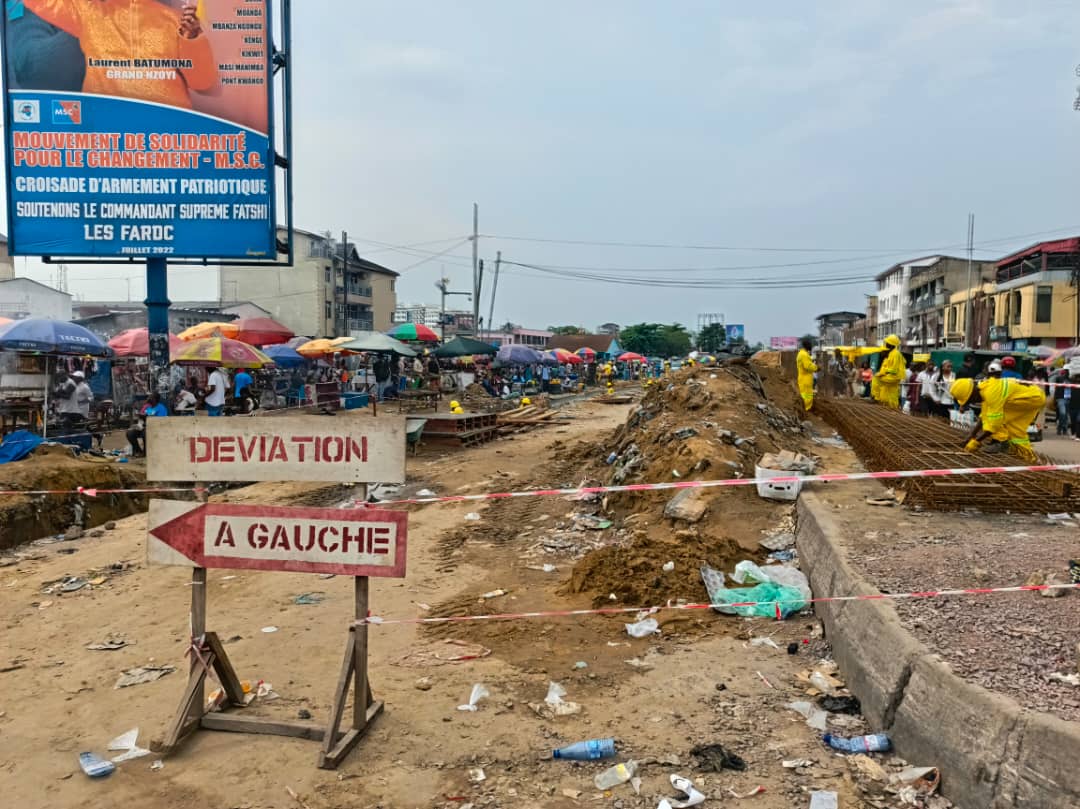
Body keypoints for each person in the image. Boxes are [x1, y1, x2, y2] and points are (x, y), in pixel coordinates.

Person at [23, 0, 217, 109]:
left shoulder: (174, 20)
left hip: (165, 135)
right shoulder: (88, 11)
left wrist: (192, 39)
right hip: (108, 133)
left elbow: (203, 81)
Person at [951, 376, 1046, 462]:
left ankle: (1001, 442)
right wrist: (972, 434)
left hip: (1031, 398)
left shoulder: (991, 394)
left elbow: (994, 424)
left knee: (997, 419)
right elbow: (983, 415)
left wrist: (977, 441)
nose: (972, 402)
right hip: (1031, 396)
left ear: (973, 394)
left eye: (970, 400)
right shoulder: (984, 388)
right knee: (1015, 431)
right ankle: (1026, 458)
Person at [126, 392, 167, 457]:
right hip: (146, 427)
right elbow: (144, 416)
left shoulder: (161, 407)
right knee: (130, 433)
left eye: (150, 397)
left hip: (157, 428)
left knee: (145, 433)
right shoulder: (150, 408)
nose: (148, 398)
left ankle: (146, 452)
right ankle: (138, 450)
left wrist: (145, 416)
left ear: (154, 399)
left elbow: (160, 421)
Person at [872, 334, 906, 409]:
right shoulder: (892, 354)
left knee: (876, 379)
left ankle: (875, 398)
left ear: (890, 344)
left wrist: (882, 374)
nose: (886, 344)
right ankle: (891, 406)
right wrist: (882, 373)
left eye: (887, 343)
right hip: (892, 377)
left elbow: (893, 370)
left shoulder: (895, 354)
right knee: (889, 393)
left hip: (894, 376)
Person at [796, 338, 817, 411]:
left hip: (803, 378)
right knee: (807, 396)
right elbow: (808, 366)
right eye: (810, 345)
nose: (811, 346)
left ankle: (806, 410)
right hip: (805, 379)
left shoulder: (801, 353)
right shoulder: (804, 355)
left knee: (805, 395)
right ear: (807, 345)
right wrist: (816, 368)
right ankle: (807, 411)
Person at [1053, 370, 1072, 436]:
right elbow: (1056, 388)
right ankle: (1063, 428)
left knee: (1065, 415)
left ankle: (1061, 428)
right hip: (1060, 398)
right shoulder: (1059, 378)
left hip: (1068, 398)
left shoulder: (1071, 379)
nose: (1067, 373)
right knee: (1062, 413)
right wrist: (1055, 398)